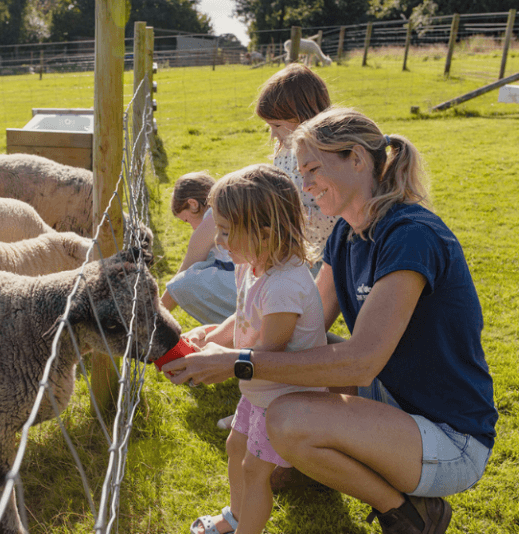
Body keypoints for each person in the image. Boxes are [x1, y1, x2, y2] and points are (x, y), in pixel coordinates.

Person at [165, 107, 498, 534]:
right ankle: (309, 467)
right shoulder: (346, 233)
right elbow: (309, 325)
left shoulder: (411, 236)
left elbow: (360, 363)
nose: (304, 185)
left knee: (286, 420)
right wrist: (215, 337)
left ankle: (409, 514)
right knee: (303, 381)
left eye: (312, 170)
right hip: (394, 404)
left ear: (356, 159)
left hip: (450, 439)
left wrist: (237, 362)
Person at [185, 164, 327, 534]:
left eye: (228, 231)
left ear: (264, 233)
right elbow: (244, 317)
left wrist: (223, 363)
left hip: (283, 396)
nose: (219, 241)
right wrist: (211, 336)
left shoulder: (284, 286)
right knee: (236, 447)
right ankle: (235, 516)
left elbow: (271, 350)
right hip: (260, 390)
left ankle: (248, 529)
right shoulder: (251, 265)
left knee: (255, 469)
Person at [254, 63, 338, 274]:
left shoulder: (327, 158)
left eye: (277, 126)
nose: (273, 135)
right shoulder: (283, 149)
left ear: (304, 117)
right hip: (292, 247)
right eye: (269, 126)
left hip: (323, 255)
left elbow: (338, 219)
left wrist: (290, 217)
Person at [161, 172, 237, 325]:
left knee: (185, 282)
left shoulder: (211, 219)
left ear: (193, 204)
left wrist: (156, 312)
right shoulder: (230, 204)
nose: (192, 227)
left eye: (187, 220)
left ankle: (151, 325)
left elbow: (180, 276)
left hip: (239, 288)